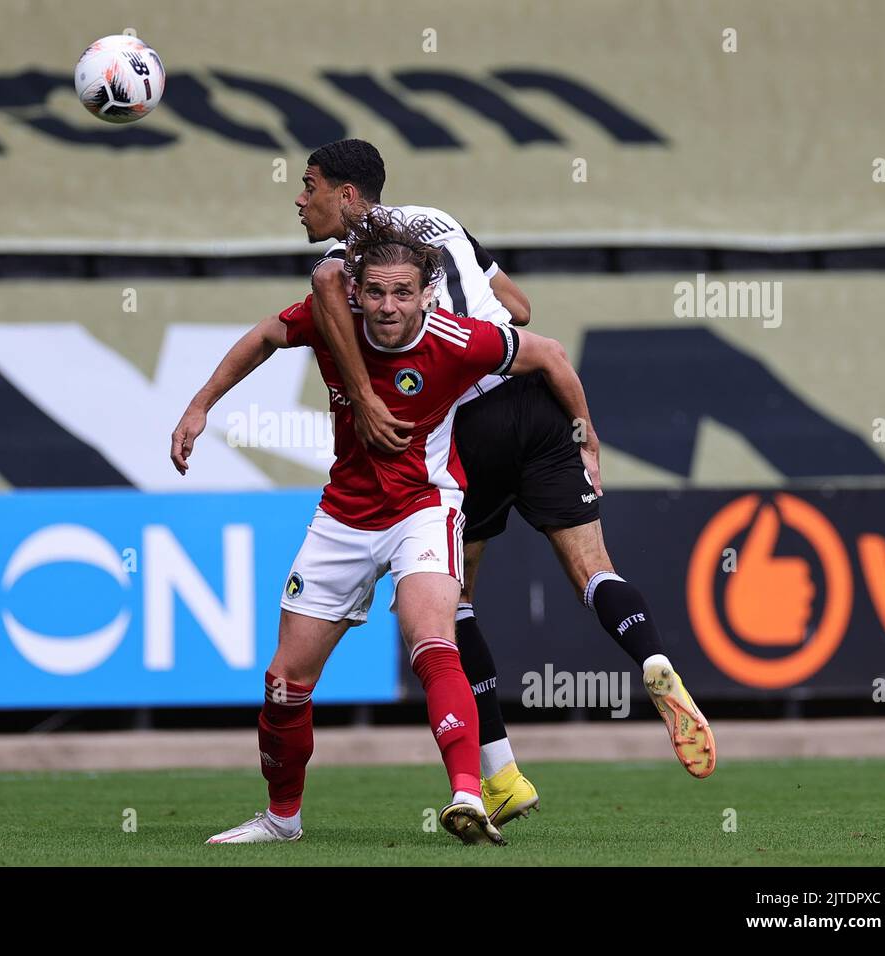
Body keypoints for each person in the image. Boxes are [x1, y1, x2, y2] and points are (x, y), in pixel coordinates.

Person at [295, 140, 717, 828]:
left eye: (308, 185)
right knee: (593, 570)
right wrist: (582, 428)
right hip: (537, 401)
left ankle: (500, 774)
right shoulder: (439, 220)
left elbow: (324, 296)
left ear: (347, 195)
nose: (298, 198)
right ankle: (653, 659)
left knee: (451, 599)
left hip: (466, 423)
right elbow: (518, 305)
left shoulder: (356, 269)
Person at [171, 208, 590, 844]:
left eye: (402, 292)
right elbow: (262, 337)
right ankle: (282, 820)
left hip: (426, 507)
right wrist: (199, 407)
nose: (389, 306)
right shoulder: (333, 323)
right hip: (344, 515)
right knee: (285, 685)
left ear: (427, 292)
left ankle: (468, 797)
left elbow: (550, 354)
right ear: (356, 292)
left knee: (432, 642)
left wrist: (586, 437)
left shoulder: (460, 341)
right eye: (375, 292)